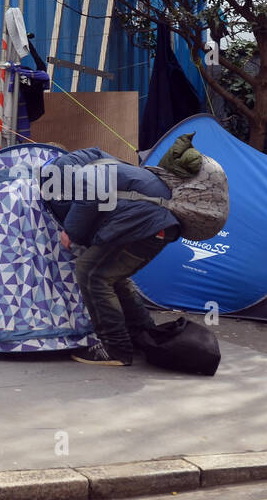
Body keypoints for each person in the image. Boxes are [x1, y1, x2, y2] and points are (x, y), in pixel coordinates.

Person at [43, 146, 180, 366]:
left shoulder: (62, 170)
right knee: (111, 275)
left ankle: (115, 347)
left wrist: (71, 230)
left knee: (91, 273)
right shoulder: (99, 160)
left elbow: (92, 193)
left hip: (144, 223)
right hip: (161, 224)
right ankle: (144, 334)